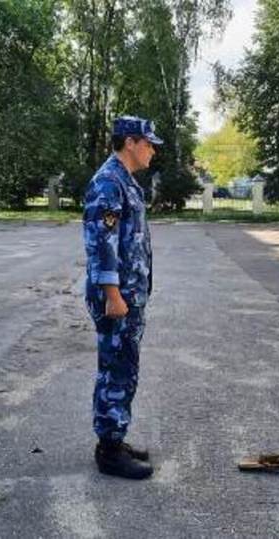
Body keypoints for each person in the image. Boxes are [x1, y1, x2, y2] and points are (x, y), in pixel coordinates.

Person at [83, 116, 161, 479]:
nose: (153, 149)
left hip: (129, 295)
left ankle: (115, 437)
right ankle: (109, 450)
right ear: (130, 142)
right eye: (148, 142)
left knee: (123, 366)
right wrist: (112, 295)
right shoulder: (108, 182)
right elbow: (101, 244)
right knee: (116, 367)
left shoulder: (124, 181)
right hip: (118, 298)